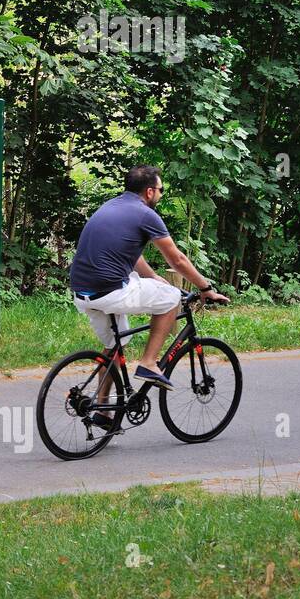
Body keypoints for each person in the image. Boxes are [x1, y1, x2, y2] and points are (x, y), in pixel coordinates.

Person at [71, 165, 229, 428]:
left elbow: (131, 254)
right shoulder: (146, 214)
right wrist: (205, 288)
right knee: (170, 298)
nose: (161, 195)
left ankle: (104, 410)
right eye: (161, 190)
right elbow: (177, 259)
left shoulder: (111, 206)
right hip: (110, 291)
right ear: (149, 191)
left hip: (83, 292)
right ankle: (148, 362)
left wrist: (153, 277)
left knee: (115, 345)